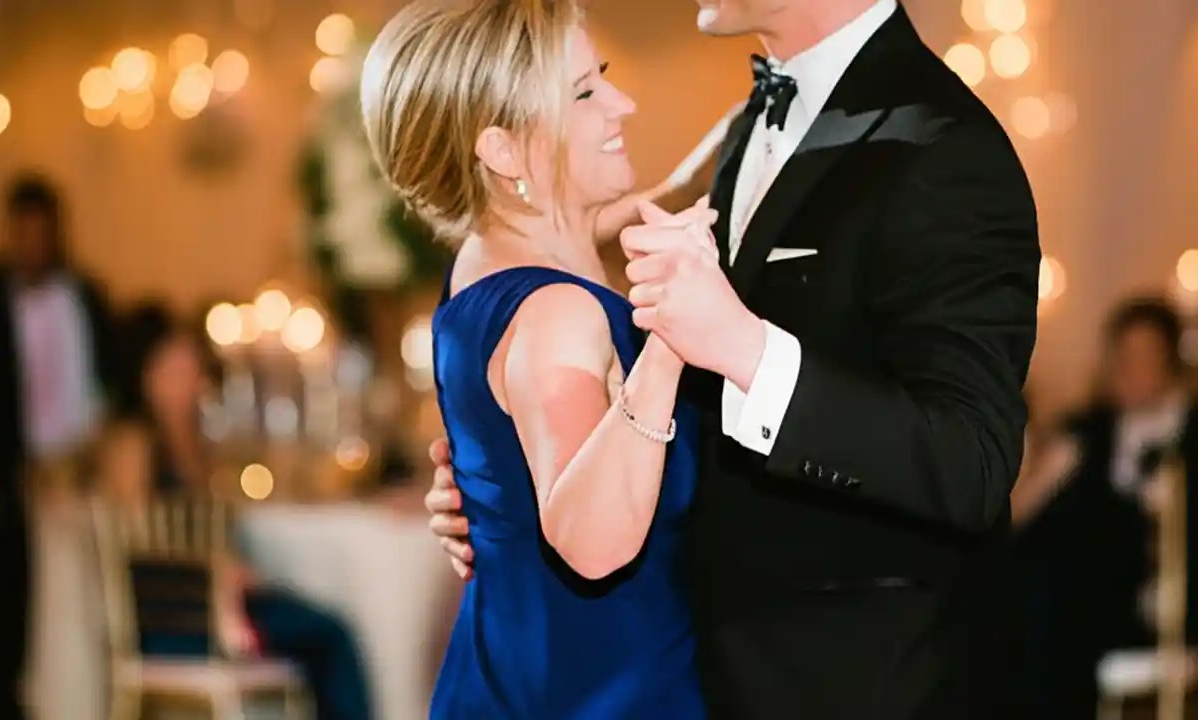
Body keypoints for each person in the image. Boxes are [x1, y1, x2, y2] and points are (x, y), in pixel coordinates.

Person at [428, 0, 1041, 717]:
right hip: (655, 672)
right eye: (588, 88)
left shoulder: (944, 147)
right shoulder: (754, 121)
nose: (620, 102)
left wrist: (744, 349)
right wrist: (498, 485)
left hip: (854, 687)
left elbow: (971, 463)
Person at [361, 1, 720, 716]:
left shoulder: (489, 258)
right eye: (584, 93)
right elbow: (593, 544)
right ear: (503, 152)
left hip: (511, 679)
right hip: (600, 697)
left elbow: (675, 196)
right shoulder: (557, 314)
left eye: (602, 74)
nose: (622, 103)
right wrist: (671, 339)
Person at [97, 304, 371, 720]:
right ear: (148, 374)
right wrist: (216, 573)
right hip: (178, 620)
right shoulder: (133, 445)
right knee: (330, 637)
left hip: (220, 608)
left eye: (193, 367)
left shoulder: (198, 447)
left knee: (327, 634)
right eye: (178, 368)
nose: (193, 380)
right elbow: (137, 541)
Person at [0, 173, 116, 720]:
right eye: (23, 232)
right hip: (0, 474)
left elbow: (100, 391)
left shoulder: (84, 299)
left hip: (72, 470)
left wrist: (81, 461)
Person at [1013, 298, 1198, 718]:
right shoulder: (1087, 433)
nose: (1131, 369)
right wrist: (1049, 477)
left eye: (1144, 355)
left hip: (1183, 608)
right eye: (1123, 356)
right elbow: (1018, 523)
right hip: (1092, 614)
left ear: (1170, 359)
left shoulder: (1197, 434)